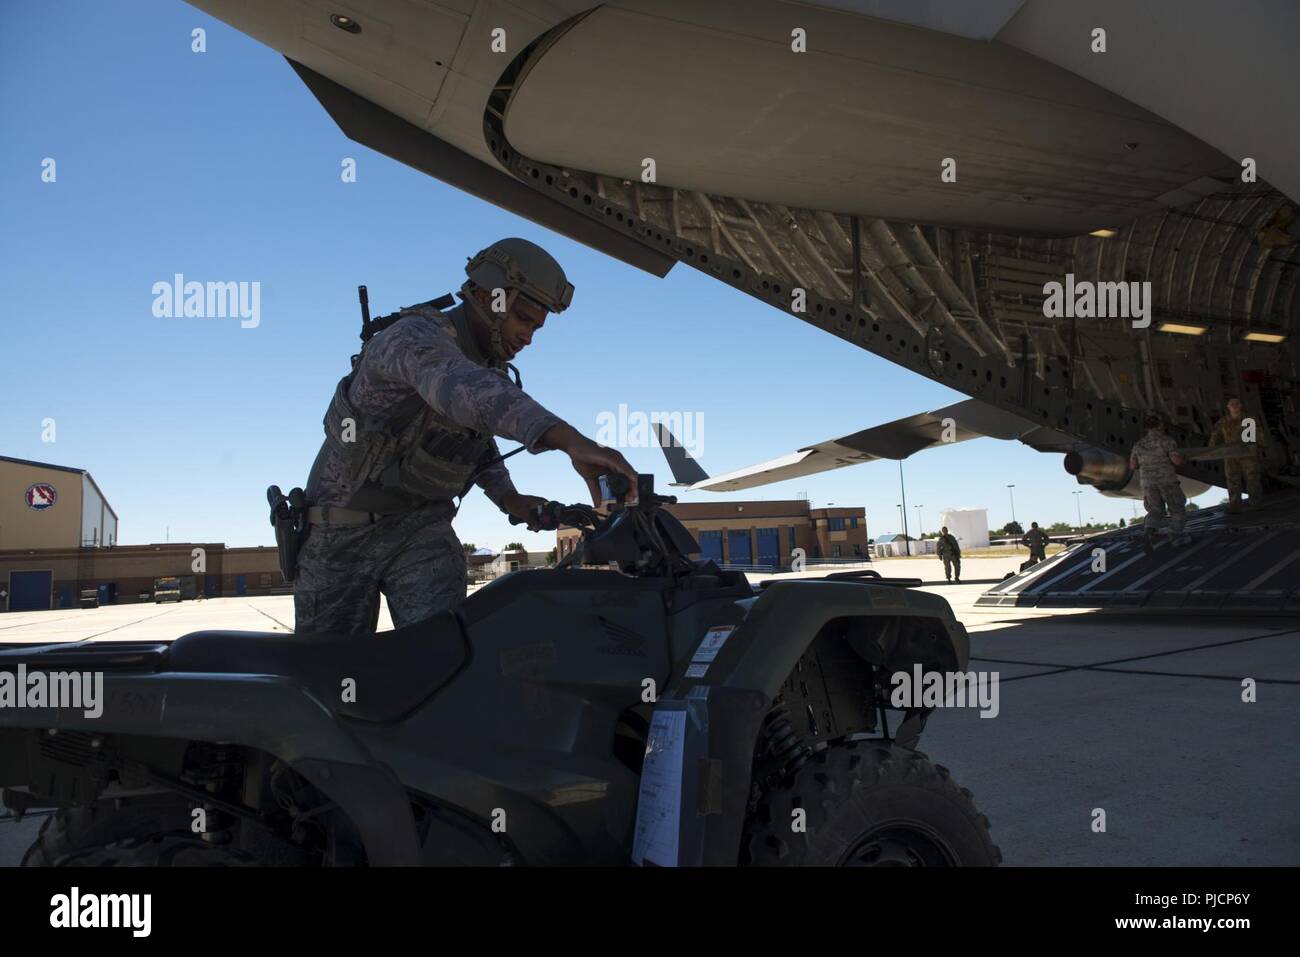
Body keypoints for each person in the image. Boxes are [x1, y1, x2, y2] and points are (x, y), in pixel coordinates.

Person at [293, 238, 638, 636]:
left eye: (536, 327)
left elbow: (471, 436)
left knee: (445, 661)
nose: (528, 337)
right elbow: (463, 392)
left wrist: (510, 498)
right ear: (483, 296)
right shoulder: (413, 338)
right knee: (328, 672)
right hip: (341, 531)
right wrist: (570, 440)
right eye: (523, 319)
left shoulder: (485, 367)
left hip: (421, 528)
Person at [1128, 413, 1189, 546]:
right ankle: (1175, 537)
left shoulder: (1138, 445)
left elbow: (1132, 465)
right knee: (1177, 509)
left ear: (1146, 428)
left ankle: (1149, 532)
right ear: (1160, 425)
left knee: (1155, 510)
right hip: (1167, 480)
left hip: (1148, 483)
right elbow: (1176, 460)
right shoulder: (1167, 441)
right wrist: (1184, 459)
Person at [1208, 396, 1264, 511]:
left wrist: (1261, 446)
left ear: (1240, 405)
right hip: (1230, 454)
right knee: (1232, 480)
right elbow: (1216, 435)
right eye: (1232, 404)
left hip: (1247, 453)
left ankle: (1256, 504)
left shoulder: (1249, 419)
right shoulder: (1223, 421)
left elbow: (1258, 433)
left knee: (1252, 478)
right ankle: (1235, 506)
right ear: (1228, 407)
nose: (1234, 405)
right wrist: (1211, 450)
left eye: (1237, 403)